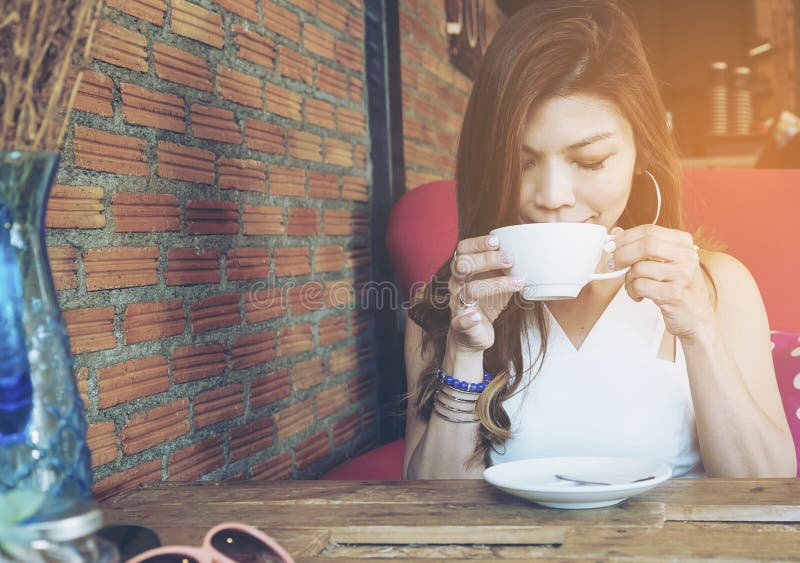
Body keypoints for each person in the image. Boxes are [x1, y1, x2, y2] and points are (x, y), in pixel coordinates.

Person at [403, 0, 796, 480]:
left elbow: (766, 490)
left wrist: (701, 333)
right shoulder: (448, 302)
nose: (551, 198)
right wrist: (462, 352)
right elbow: (433, 511)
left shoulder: (718, 286)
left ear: (640, 152)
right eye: (521, 163)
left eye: (589, 161)